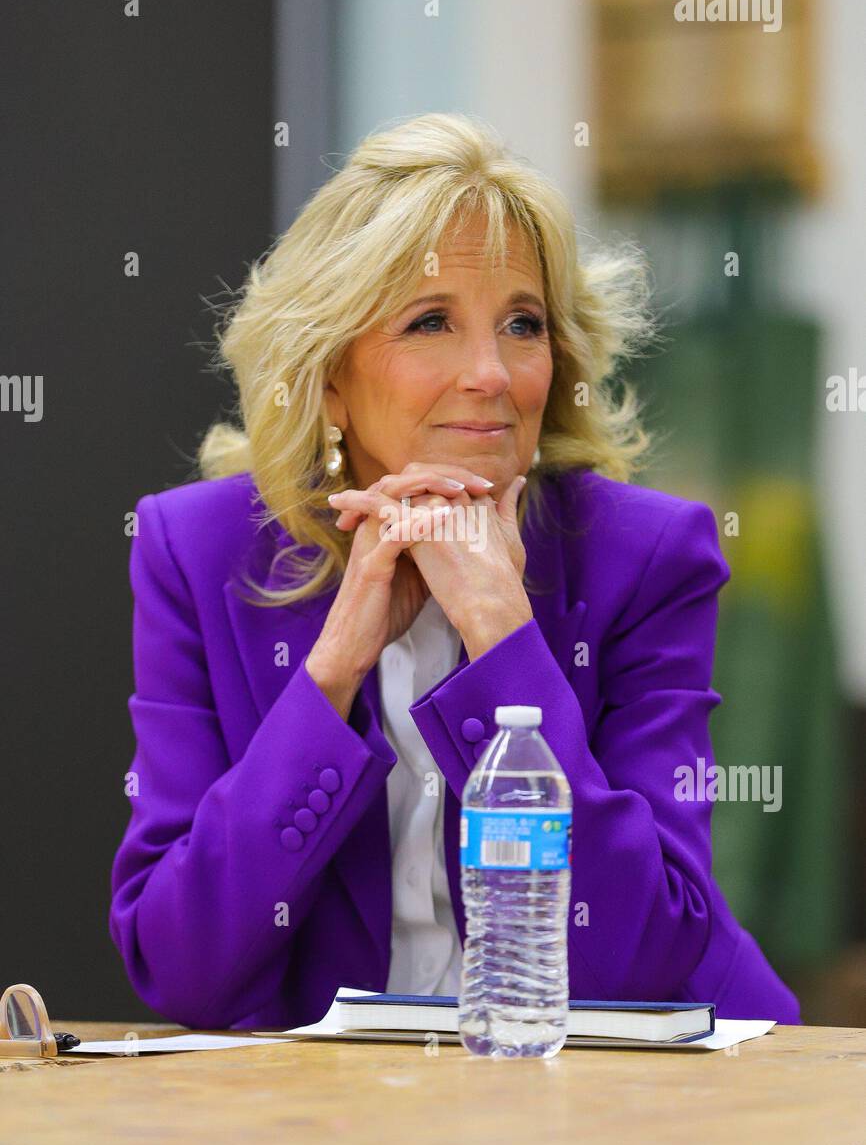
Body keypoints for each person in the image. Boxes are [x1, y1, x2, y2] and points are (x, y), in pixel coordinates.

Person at [109, 112, 801, 1030]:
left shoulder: (646, 558)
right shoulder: (198, 554)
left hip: (620, 1112)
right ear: (328, 378)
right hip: (323, 1128)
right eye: (430, 322)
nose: (491, 372)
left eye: (523, 324)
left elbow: (643, 958)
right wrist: (332, 674)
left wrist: (503, 642)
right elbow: (179, 965)